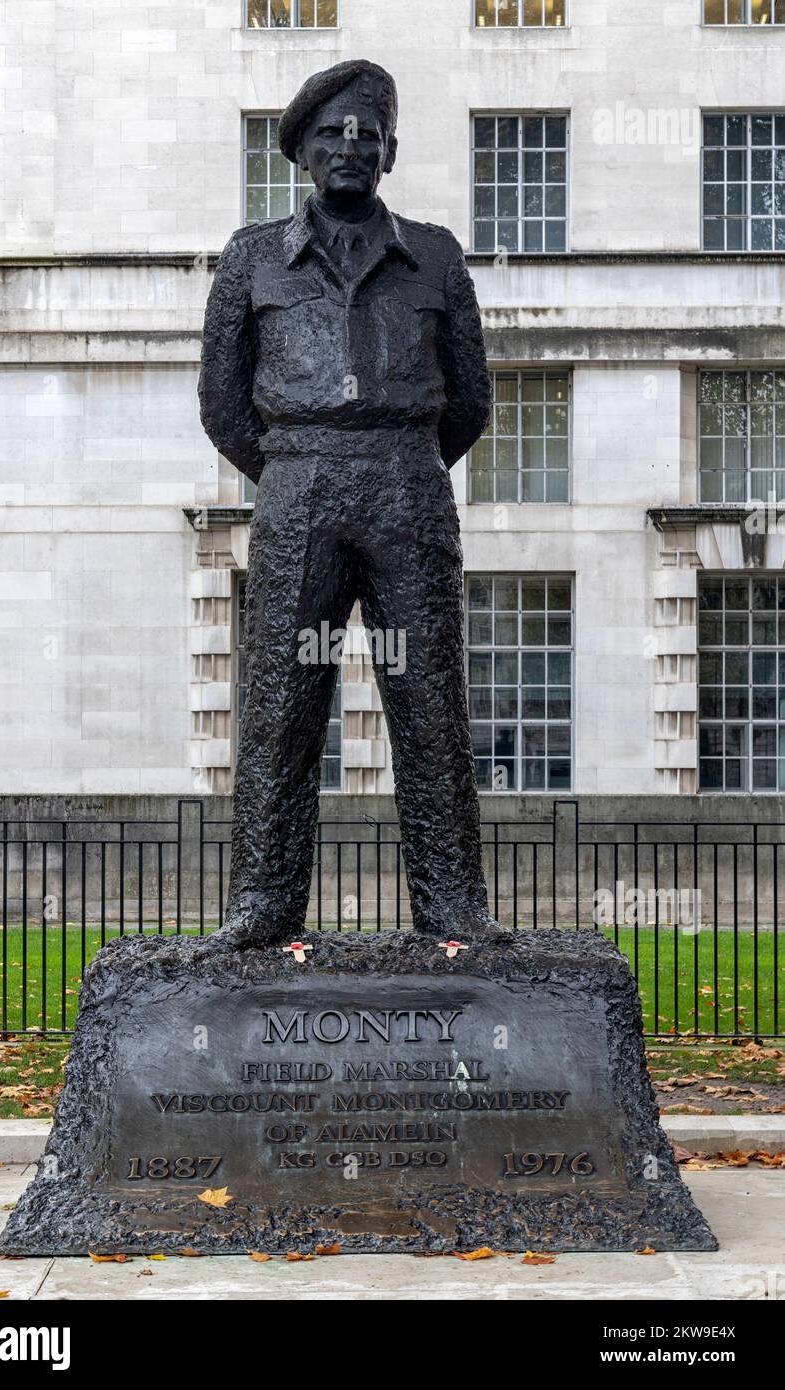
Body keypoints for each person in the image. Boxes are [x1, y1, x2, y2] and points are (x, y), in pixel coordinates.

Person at [199, 59, 506, 947]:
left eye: (367, 133)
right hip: (297, 490)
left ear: (391, 152)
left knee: (429, 698)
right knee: (283, 701)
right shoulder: (252, 258)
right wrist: (297, 464)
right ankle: (263, 904)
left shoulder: (437, 255)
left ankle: (451, 903)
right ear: (300, 150)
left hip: (407, 486)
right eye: (332, 132)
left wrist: (396, 459)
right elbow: (223, 404)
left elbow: (471, 399)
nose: (350, 146)